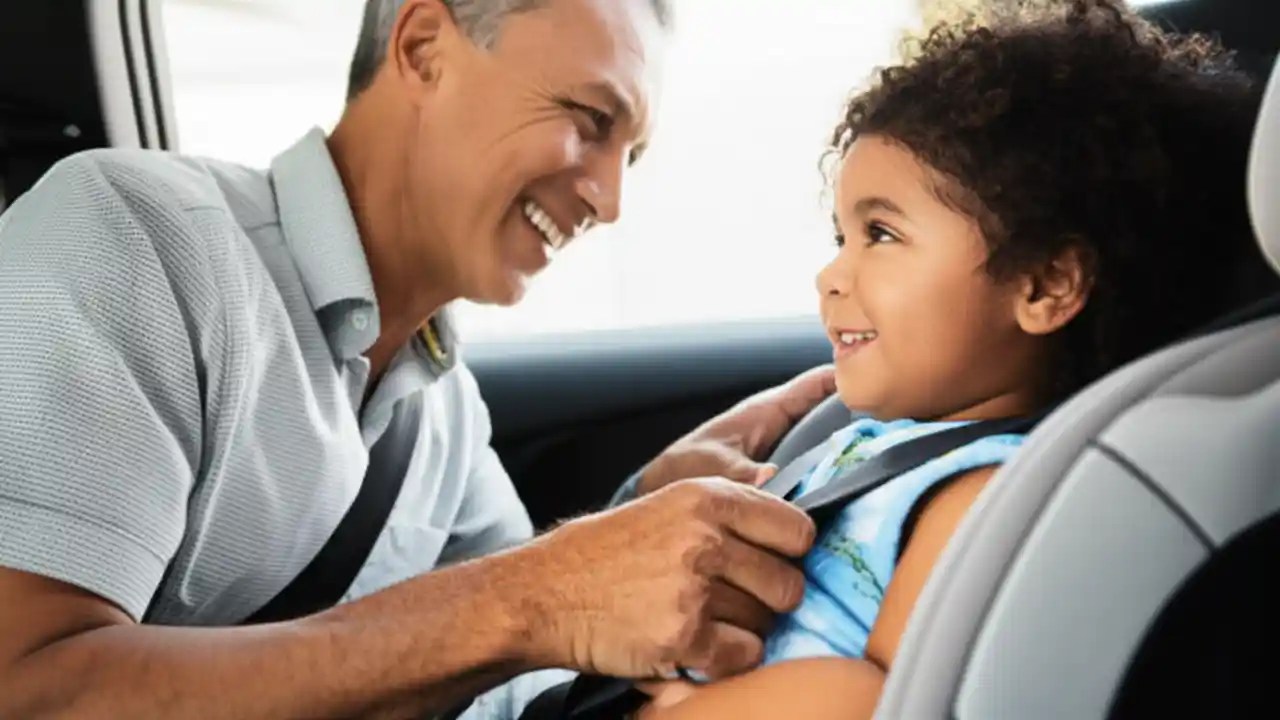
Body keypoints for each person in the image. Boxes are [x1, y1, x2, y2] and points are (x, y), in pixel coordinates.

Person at [0, 0, 836, 717]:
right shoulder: (135, 239)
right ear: (424, 49)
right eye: (589, 121)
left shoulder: (443, 412)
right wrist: (542, 593)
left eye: (633, 156)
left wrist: (639, 509)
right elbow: (28, 689)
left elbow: (514, 658)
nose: (610, 200)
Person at [623, 1, 1279, 717]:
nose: (831, 276)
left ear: (1044, 286)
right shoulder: (870, 440)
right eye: (840, 238)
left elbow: (875, 698)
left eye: (880, 233)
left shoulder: (974, 493)